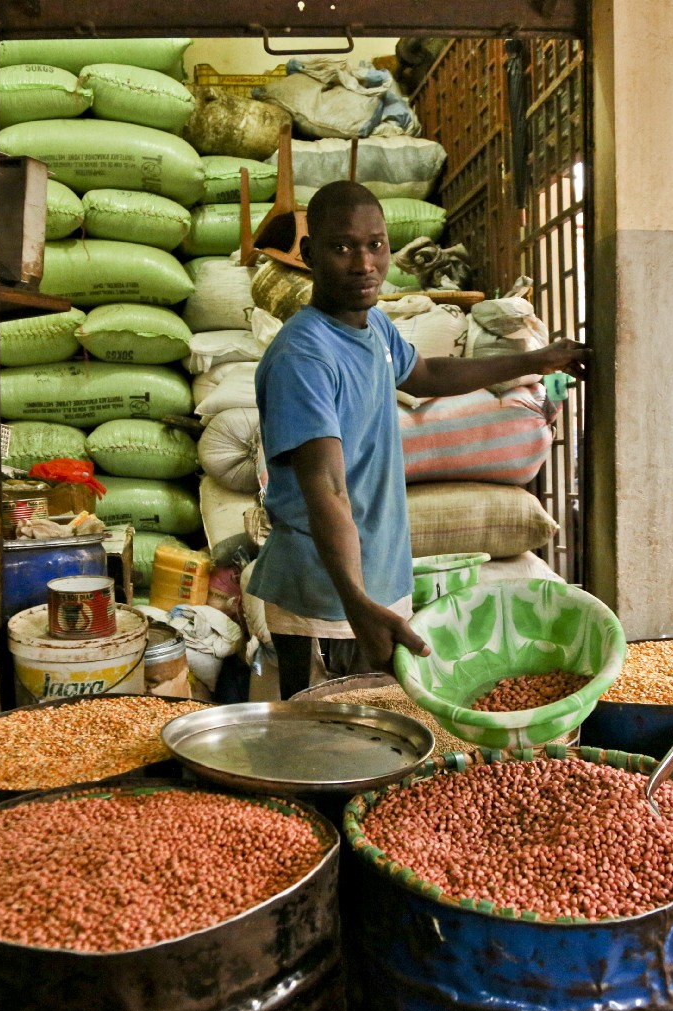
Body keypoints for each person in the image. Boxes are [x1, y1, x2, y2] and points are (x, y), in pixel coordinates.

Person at [249, 182, 589, 698]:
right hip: (327, 595)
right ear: (310, 254)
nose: (365, 263)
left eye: (376, 244)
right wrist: (358, 602)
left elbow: (428, 374)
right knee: (325, 743)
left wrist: (535, 361)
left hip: (375, 583)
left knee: (380, 740)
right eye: (343, 247)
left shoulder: (374, 327)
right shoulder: (305, 357)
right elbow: (327, 490)